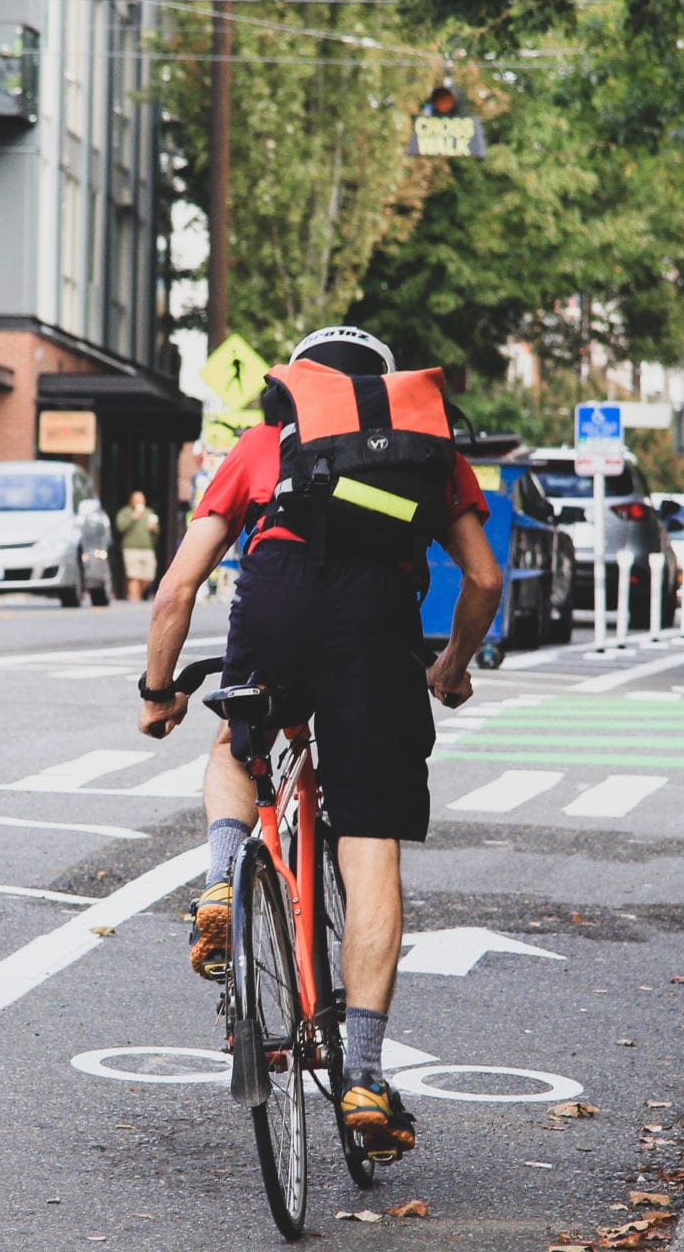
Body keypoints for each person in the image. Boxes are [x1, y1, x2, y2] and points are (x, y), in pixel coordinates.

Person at [136, 325, 502, 1162]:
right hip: (376, 626)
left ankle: (223, 880)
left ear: (301, 389)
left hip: (278, 605)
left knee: (240, 745)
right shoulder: (427, 451)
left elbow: (176, 590)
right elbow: (483, 579)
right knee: (370, 848)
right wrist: (449, 665)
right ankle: (366, 1076)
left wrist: (158, 695)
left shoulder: (264, 446)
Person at [114, 489, 162, 601]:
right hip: (131, 548)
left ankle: (136, 595)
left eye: (142, 499)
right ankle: (134, 600)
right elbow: (120, 527)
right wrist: (133, 517)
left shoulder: (149, 513)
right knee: (134, 576)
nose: (140, 502)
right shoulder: (125, 512)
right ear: (131, 501)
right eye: (137, 499)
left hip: (147, 549)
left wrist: (154, 529)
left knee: (148, 576)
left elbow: (157, 532)